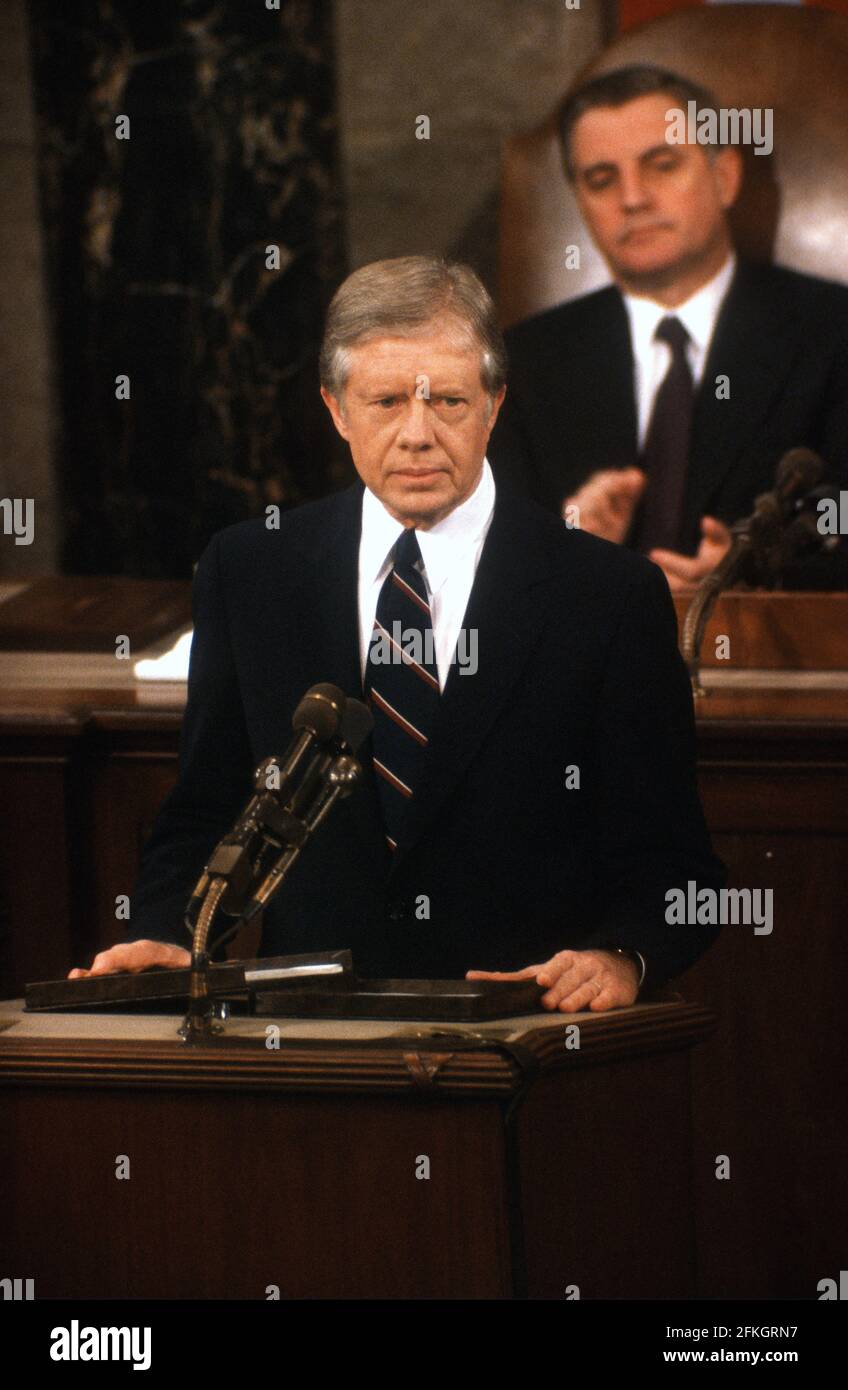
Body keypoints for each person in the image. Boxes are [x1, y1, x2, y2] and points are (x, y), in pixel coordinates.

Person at [69, 256, 725, 1012]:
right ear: (336, 408)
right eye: (385, 401)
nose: (418, 435)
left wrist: (621, 957)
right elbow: (208, 806)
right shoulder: (249, 570)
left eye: (447, 400)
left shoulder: (608, 594)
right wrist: (169, 932)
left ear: (494, 404)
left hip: (525, 1032)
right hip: (311, 1043)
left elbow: (675, 863)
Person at [489, 65, 848, 591]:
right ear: (581, 202)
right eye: (602, 179)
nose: (632, 198)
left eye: (661, 165)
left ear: (724, 176)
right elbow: (473, 559)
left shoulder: (833, 332)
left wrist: (755, 577)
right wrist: (564, 543)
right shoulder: (520, 362)